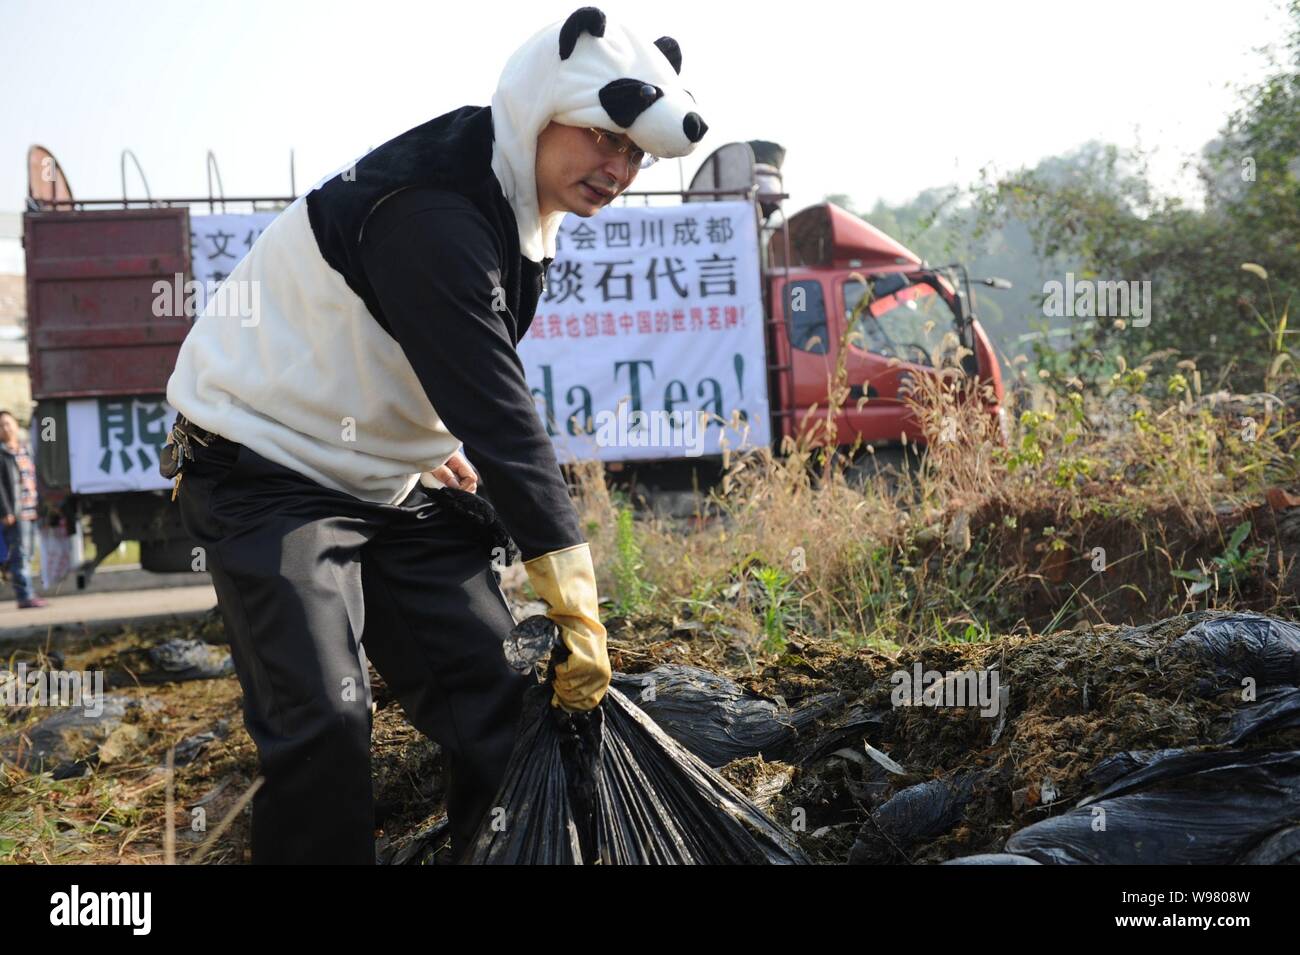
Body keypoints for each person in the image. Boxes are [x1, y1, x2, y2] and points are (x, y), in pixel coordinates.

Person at [161, 6, 707, 864]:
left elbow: (418, 350)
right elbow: (499, 410)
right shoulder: (434, 206)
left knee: (495, 698)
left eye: (634, 153)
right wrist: (573, 593)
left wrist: (416, 438)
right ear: (542, 104)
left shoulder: (519, 197)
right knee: (327, 718)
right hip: (263, 467)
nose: (619, 167)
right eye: (604, 137)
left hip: (386, 481)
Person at [0, 409, 49, 609]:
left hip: (31, 510)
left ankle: (28, 591)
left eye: (8, 424)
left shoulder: (26, 449)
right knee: (19, 554)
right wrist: (6, 511)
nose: (5, 428)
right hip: (16, 512)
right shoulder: (2, 454)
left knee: (28, 553)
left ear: (16, 426)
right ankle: (24, 595)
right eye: (1, 425)